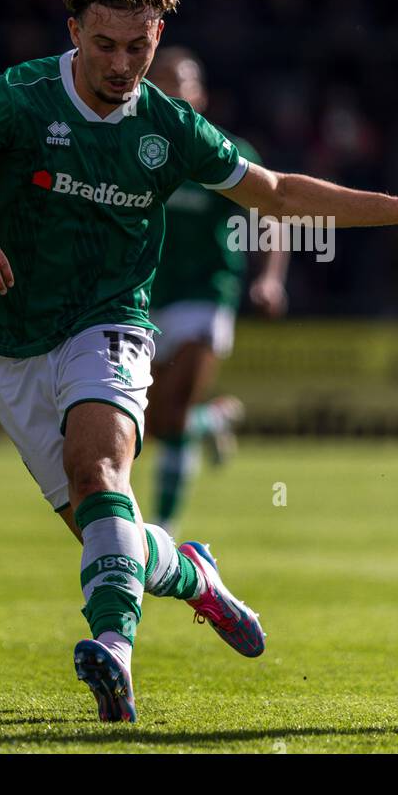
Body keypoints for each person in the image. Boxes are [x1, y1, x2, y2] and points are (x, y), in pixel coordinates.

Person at [0, 0, 398, 723]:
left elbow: (274, 192)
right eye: (103, 45)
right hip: (12, 343)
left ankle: (113, 654)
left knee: (101, 472)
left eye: (138, 47)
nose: (121, 63)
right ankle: (195, 573)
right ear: (74, 31)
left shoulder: (170, 127)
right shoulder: (17, 98)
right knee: (113, 538)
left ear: (158, 36)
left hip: (112, 324)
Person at [144, 46, 289, 537]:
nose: (167, 89)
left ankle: (161, 529)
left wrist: (269, 279)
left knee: (173, 414)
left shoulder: (227, 153)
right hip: (142, 300)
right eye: (158, 80)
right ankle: (213, 421)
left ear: (198, 96)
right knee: (151, 424)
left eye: (177, 81)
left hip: (206, 295)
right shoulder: (131, 147)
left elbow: (273, 217)